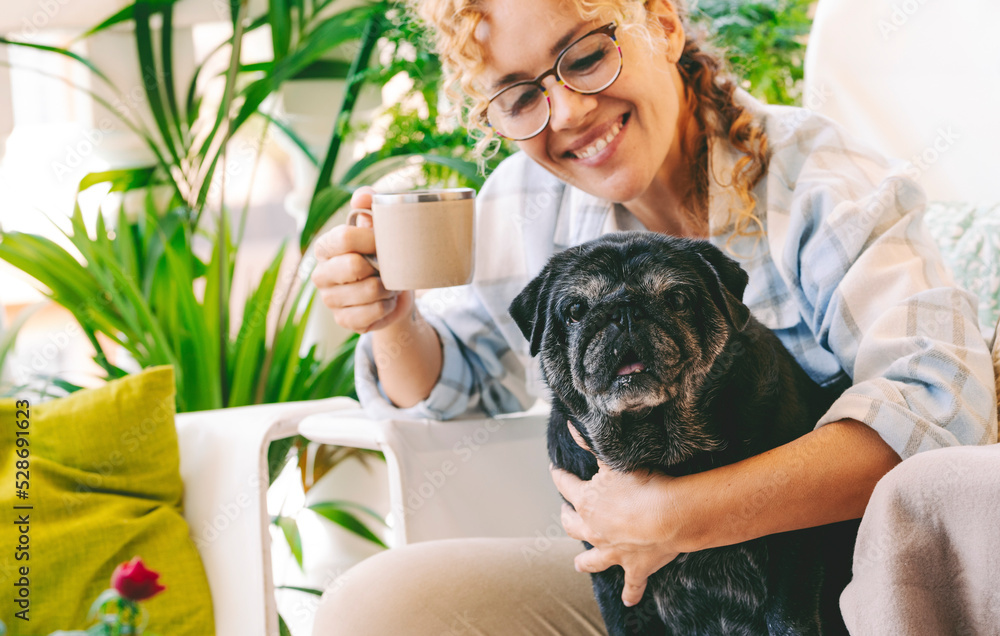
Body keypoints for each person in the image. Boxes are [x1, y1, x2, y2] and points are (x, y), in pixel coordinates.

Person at [308, 0, 998, 632]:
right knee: (377, 606)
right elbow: (455, 382)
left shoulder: (823, 183)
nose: (569, 112)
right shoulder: (525, 202)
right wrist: (392, 320)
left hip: (842, 578)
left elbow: (937, 412)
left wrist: (677, 517)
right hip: (648, 581)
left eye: (585, 57)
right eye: (521, 97)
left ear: (663, 24)